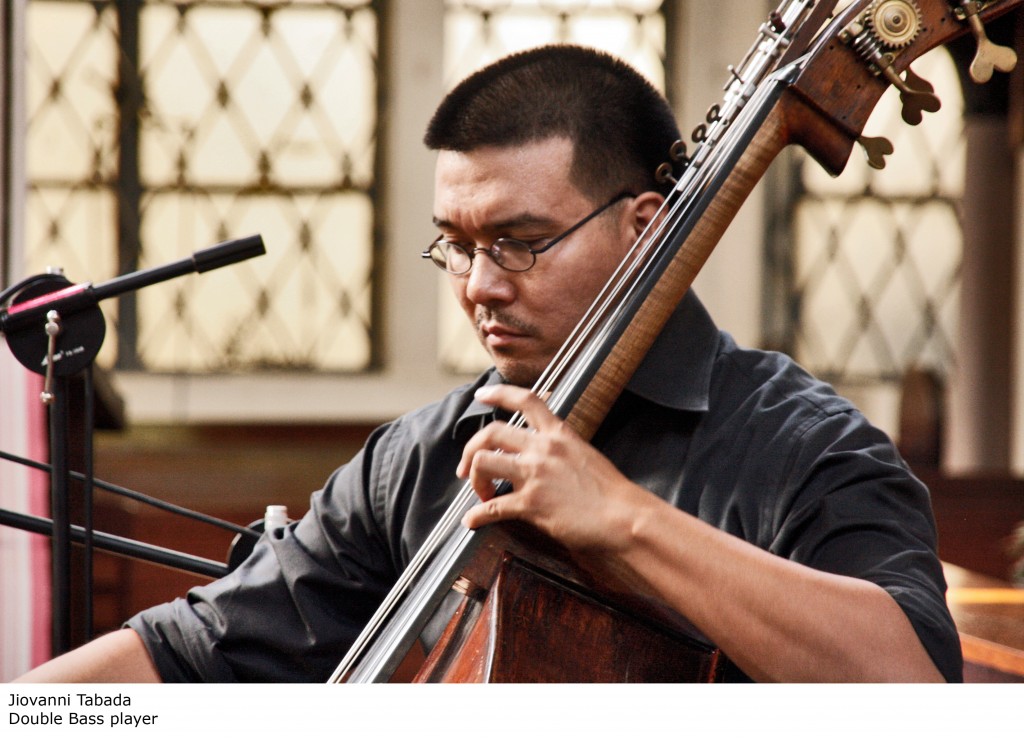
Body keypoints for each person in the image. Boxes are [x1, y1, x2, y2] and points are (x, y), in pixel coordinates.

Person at [16, 44, 962, 683]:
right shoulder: (423, 458)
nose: (477, 285)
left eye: (518, 240)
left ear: (644, 230)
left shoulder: (801, 446)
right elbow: (185, 653)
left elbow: (915, 687)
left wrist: (623, 519)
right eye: (455, 245)